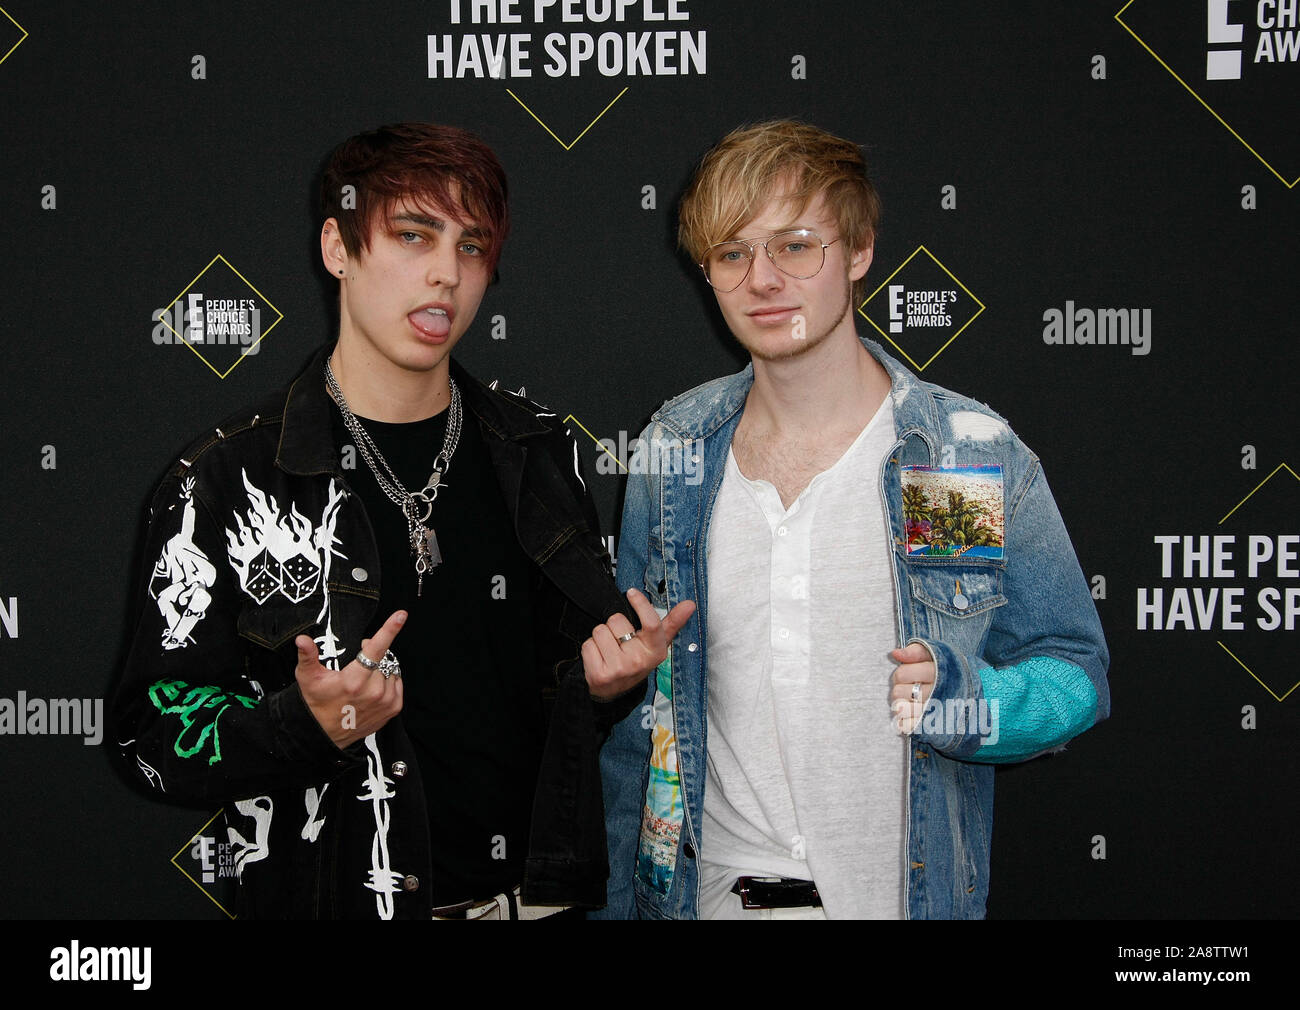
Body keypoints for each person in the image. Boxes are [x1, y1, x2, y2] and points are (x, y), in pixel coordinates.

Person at [113, 122, 693, 920]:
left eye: (470, 246)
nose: (446, 273)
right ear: (338, 247)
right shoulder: (226, 479)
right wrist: (303, 725)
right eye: (414, 235)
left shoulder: (537, 452)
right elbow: (147, 739)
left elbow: (552, 704)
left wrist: (606, 688)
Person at [596, 120, 1110, 919]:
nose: (764, 280)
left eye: (795, 246)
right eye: (733, 254)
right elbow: (646, 726)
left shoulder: (951, 463)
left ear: (860, 251)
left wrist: (963, 701)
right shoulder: (678, 450)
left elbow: (1073, 673)